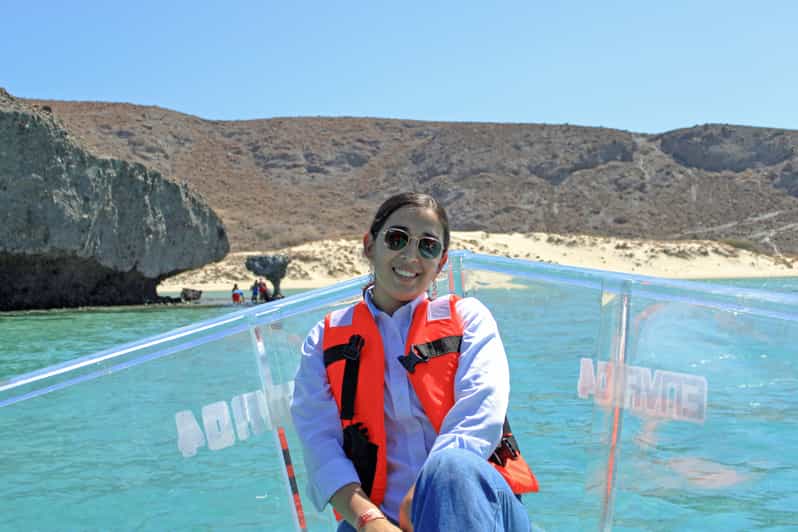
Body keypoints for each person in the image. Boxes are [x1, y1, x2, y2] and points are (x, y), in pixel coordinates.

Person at [291, 192, 537, 532]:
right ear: (369, 245)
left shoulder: (469, 319)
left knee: (452, 469)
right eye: (397, 239)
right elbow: (320, 447)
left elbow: (481, 415)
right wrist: (370, 521)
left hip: (480, 512)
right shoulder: (323, 340)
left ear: (442, 261)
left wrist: (423, 495)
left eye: (428, 246)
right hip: (380, 519)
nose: (411, 255)